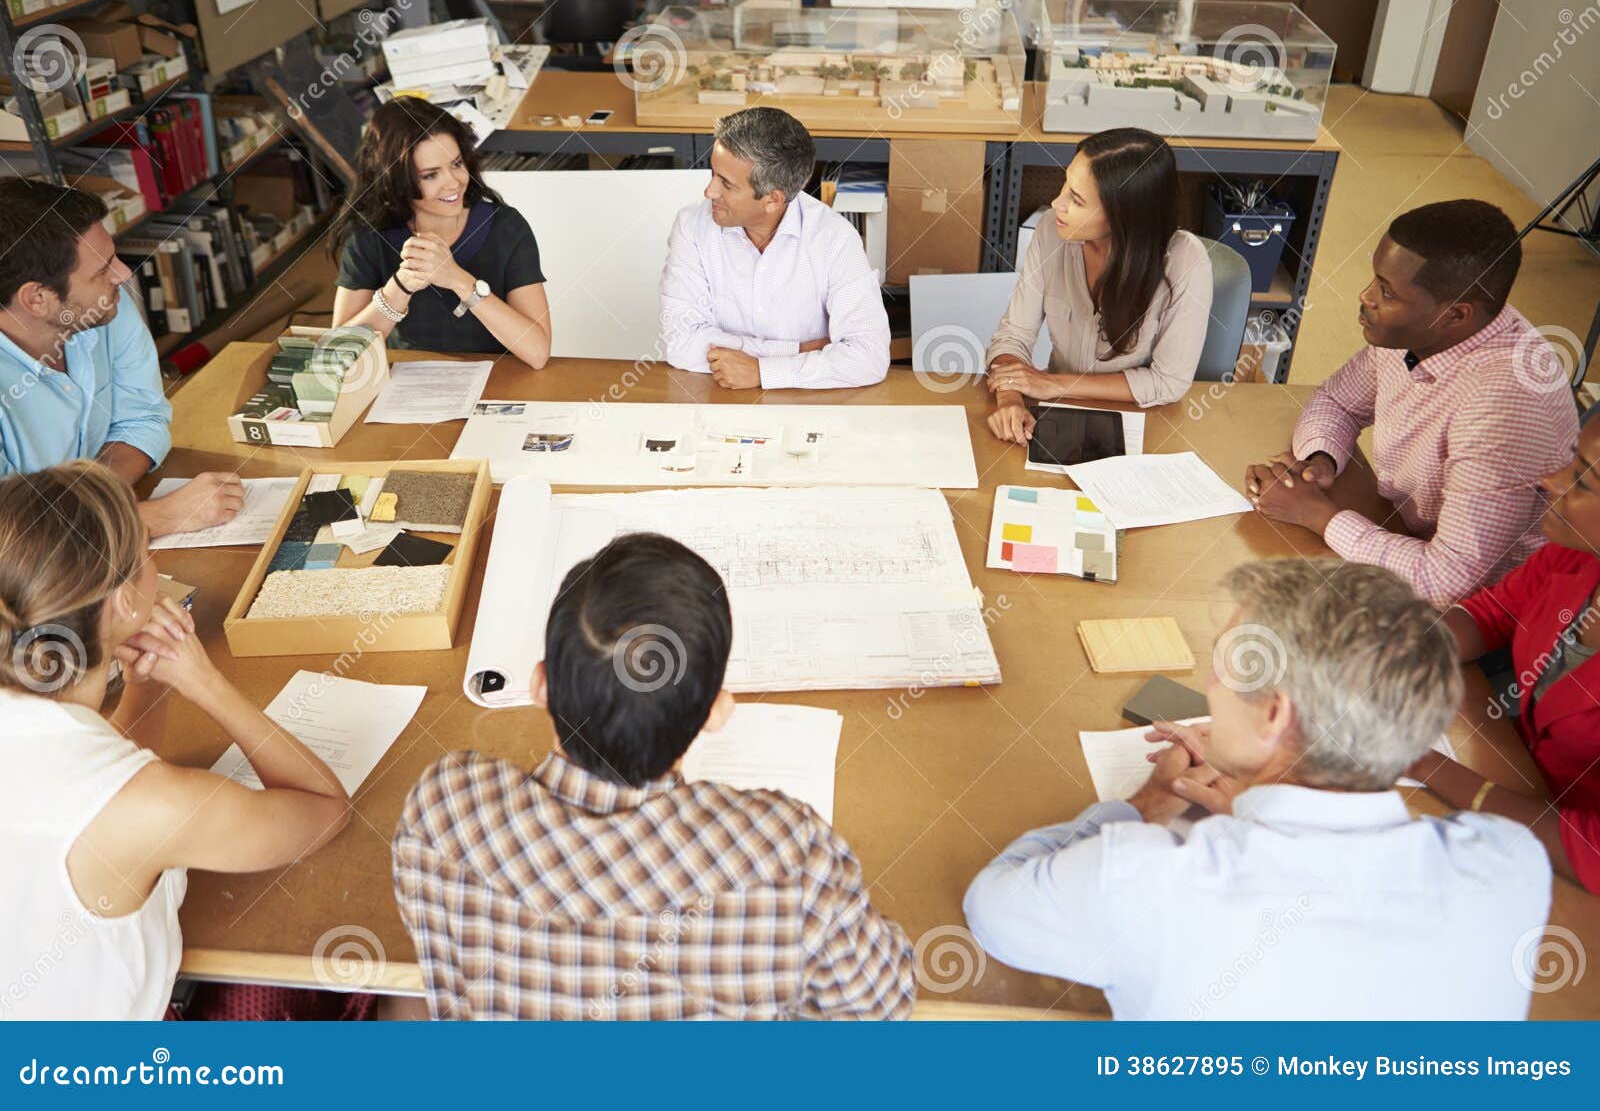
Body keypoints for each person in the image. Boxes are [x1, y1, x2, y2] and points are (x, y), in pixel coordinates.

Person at [964, 559, 1552, 1020]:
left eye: (1223, 667)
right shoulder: (1511, 863)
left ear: (1274, 714)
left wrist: (1147, 804)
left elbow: (991, 905)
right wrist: (1249, 811)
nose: (1207, 683)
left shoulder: (1145, 880)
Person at [393, 532, 914, 1019]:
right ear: (717, 712)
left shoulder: (443, 808)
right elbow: (877, 1008)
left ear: (539, 685)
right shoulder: (791, 858)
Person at [0, 462, 350, 1019]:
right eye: (147, 552)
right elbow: (324, 808)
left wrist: (146, 684)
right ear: (124, 602)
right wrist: (205, 684)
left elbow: (93, 770)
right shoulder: (158, 806)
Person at [1245, 199, 1578, 608]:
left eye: (1387, 292)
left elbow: (1445, 581)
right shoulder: (1422, 331)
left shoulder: (1503, 406)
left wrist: (1315, 515)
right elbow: (1337, 401)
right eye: (1375, 279)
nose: (1366, 296)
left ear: (1456, 315)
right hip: (1407, 536)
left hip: (1485, 609)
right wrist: (1321, 461)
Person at [1407, 410, 1600, 892]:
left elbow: (1593, 849)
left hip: (1568, 885)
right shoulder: (1576, 553)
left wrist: (1423, 764)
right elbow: (1494, 613)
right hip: (1518, 779)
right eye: (1571, 459)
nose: (1550, 480)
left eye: (1582, 481)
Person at [0, 178, 243, 536]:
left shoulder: (105, 306)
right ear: (37, 299)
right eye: (102, 270)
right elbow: (8, 538)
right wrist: (160, 517)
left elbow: (143, 418)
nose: (124, 274)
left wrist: (90, 507)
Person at [984, 128, 1212, 442]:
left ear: (1124, 215)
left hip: (1143, 423)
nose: (1056, 203)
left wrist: (1052, 384)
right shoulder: (1051, 231)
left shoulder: (1185, 261)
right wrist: (1010, 397)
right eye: (1065, 185)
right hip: (1058, 416)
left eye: (1076, 200)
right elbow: (1013, 336)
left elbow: (1168, 382)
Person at [658, 107, 890, 390]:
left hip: (805, 402)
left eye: (726, 184)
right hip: (718, 394)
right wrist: (797, 351)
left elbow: (869, 357)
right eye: (713, 173)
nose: (710, 191)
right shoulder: (691, 226)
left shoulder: (835, 239)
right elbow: (680, 343)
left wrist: (760, 372)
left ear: (772, 200)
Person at [331, 97, 552, 368]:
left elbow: (537, 352)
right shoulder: (369, 236)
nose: (453, 183)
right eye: (430, 175)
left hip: (497, 380)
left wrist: (459, 280)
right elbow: (338, 356)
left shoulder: (506, 227)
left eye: (456, 164)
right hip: (407, 382)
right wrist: (400, 287)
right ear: (396, 181)